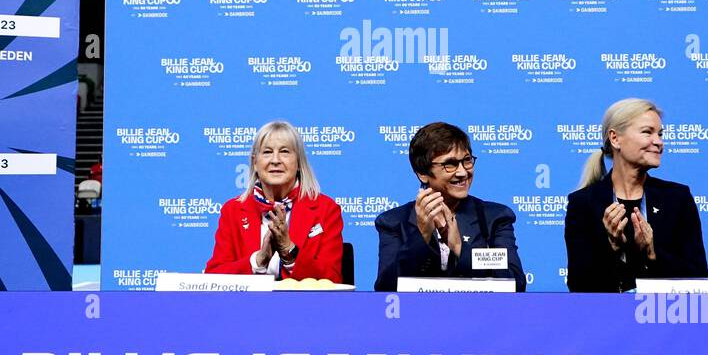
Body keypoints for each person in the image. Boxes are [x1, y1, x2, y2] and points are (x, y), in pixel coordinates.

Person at [564, 98, 708, 292]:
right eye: (647, 132)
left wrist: (652, 253)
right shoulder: (583, 203)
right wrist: (612, 247)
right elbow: (578, 285)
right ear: (615, 138)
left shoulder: (678, 198)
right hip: (607, 318)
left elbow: (700, 278)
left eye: (660, 134)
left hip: (664, 317)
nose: (658, 142)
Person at [374, 121, 526, 291]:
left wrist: (459, 247)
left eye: (467, 160)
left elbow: (516, 285)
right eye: (450, 164)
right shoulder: (393, 222)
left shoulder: (495, 218)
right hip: (418, 315)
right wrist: (421, 235)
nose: (462, 172)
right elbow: (385, 289)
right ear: (423, 174)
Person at [205, 120, 344, 282]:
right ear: (255, 162)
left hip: (305, 306)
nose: (275, 160)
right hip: (247, 306)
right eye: (267, 152)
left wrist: (289, 251)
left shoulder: (325, 209)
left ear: (299, 162)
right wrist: (257, 261)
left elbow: (333, 280)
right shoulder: (233, 210)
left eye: (284, 152)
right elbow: (213, 277)